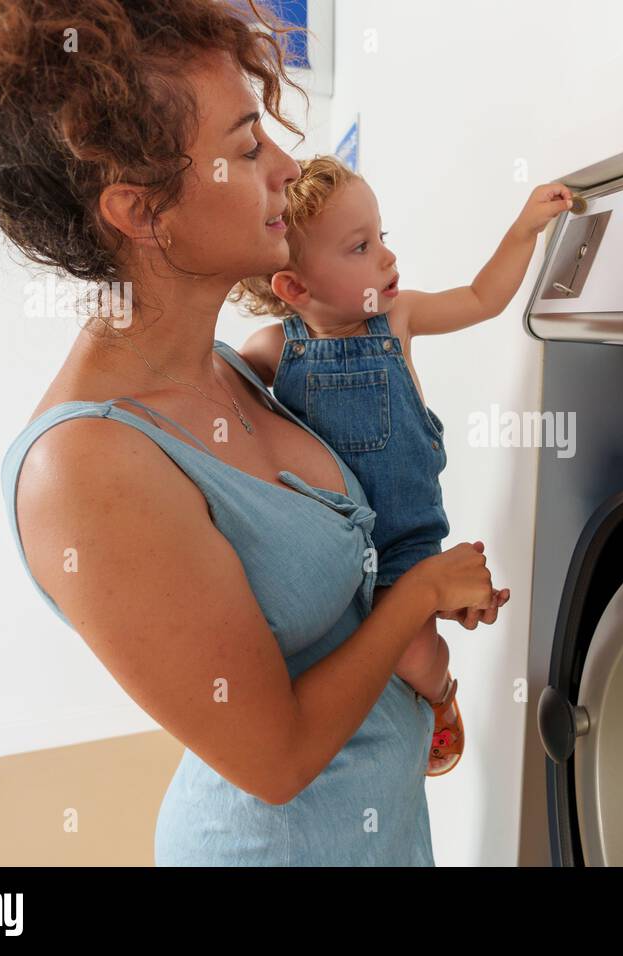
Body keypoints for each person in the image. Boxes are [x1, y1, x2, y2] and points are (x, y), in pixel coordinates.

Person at [0, 0, 502, 865]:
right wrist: (422, 595)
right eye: (247, 148)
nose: (286, 169)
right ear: (140, 211)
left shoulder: (239, 366)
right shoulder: (83, 468)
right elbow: (276, 760)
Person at [232, 157, 568, 774]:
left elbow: (481, 298)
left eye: (382, 238)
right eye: (360, 247)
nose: (386, 259)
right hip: (332, 549)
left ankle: (442, 699)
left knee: (415, 656)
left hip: (405, 542)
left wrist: (524, 229)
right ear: (295, 289)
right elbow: (223, 413)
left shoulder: (399, 318)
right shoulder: (271, 353)